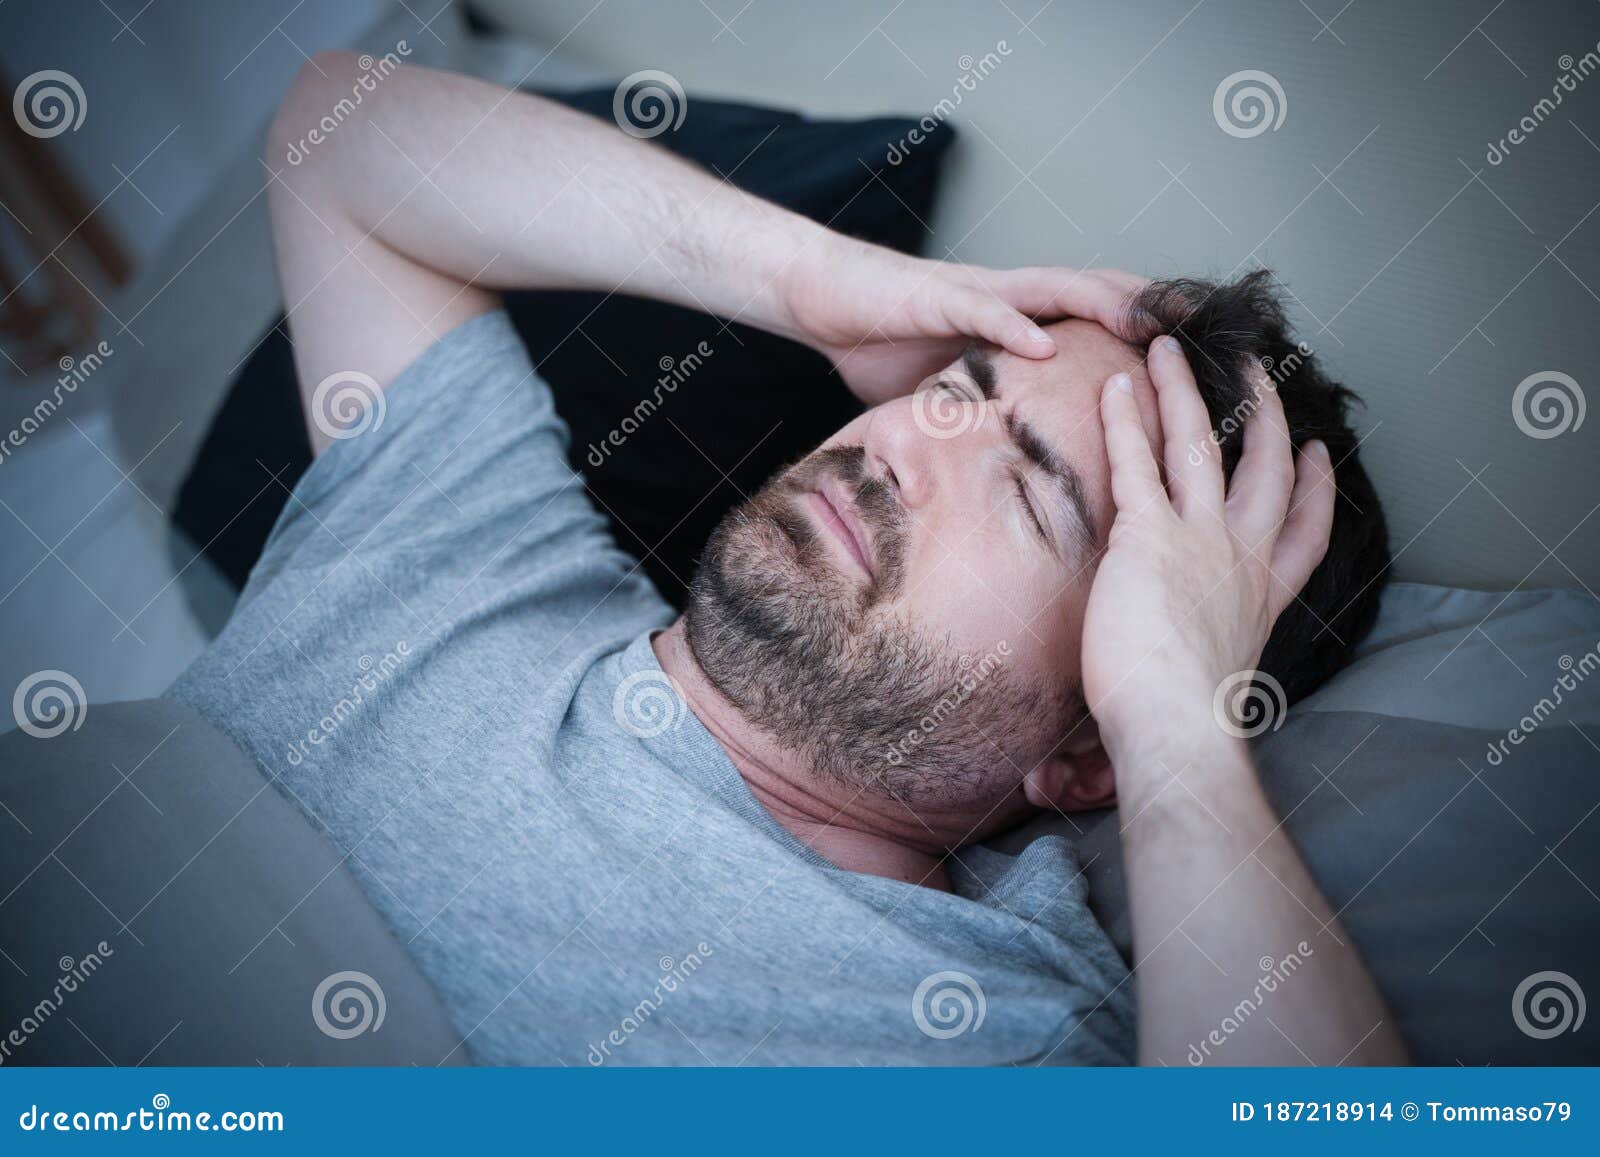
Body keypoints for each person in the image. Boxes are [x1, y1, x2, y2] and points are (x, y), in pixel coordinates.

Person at [169, 56, 1407, 1066]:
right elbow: (337, 132)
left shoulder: (987, 1030)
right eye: (954, 390)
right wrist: (814, 282)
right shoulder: (466, 542)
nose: (898, 444)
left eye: (1031, 495)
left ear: (1083, 752)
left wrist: (1174, 727)